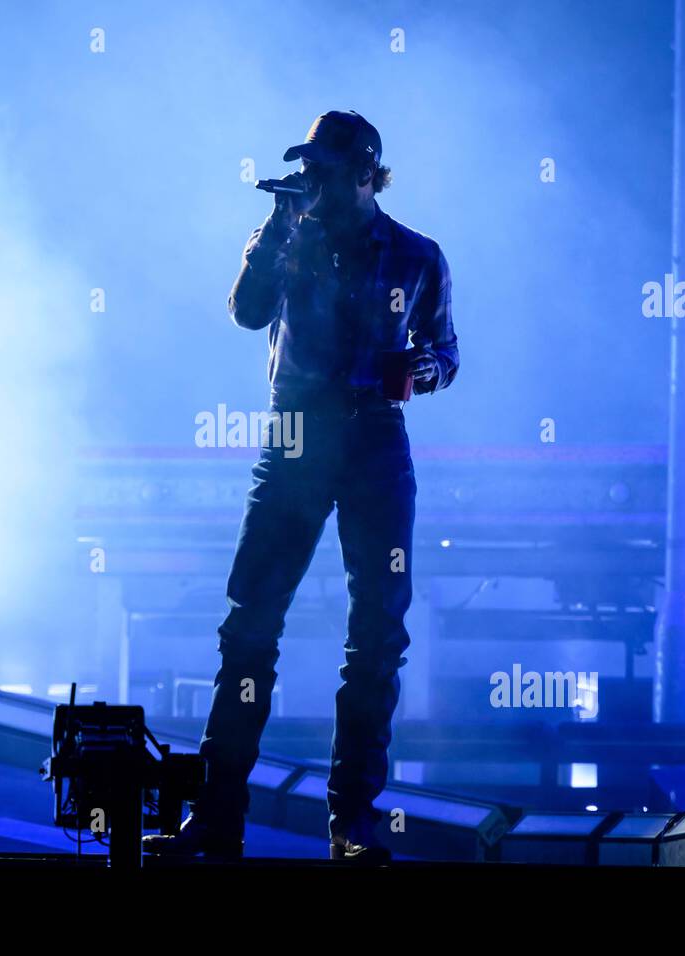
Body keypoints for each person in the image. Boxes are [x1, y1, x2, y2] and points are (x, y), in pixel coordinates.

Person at [143, 110, 459, 862]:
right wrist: (274, 235)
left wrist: (425, 370)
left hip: (375, 438)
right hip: (293, 435)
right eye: (304, 166)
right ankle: (217, 819)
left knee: (377, 636)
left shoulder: (417, 256)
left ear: (363, 175)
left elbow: (445, 348)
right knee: (249, 624)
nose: (308, 179)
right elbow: (247, 314)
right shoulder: (288, 238)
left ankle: (352, 822)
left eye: (323, 169)